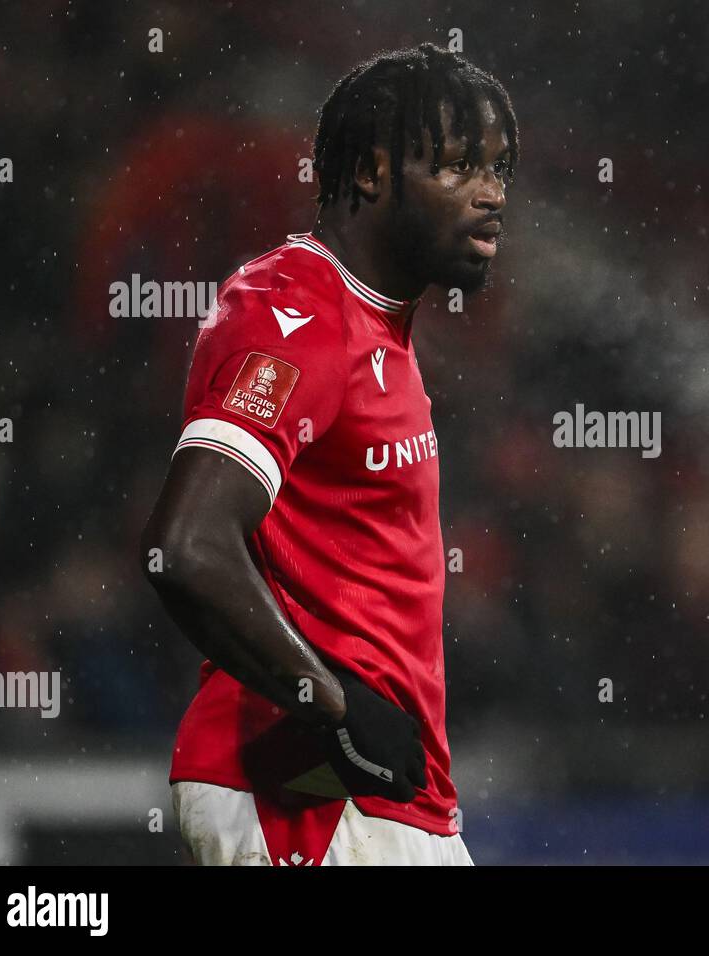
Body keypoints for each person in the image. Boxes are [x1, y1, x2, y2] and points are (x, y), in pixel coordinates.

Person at [140, 42, 518, 865]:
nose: (492, 195)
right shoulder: (299, 312)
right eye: (459, 167)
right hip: (308, 797)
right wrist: (335, 704)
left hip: (372, 798)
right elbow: (188, 546)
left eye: (499, 170)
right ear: (375, 172)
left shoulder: (376, 326)